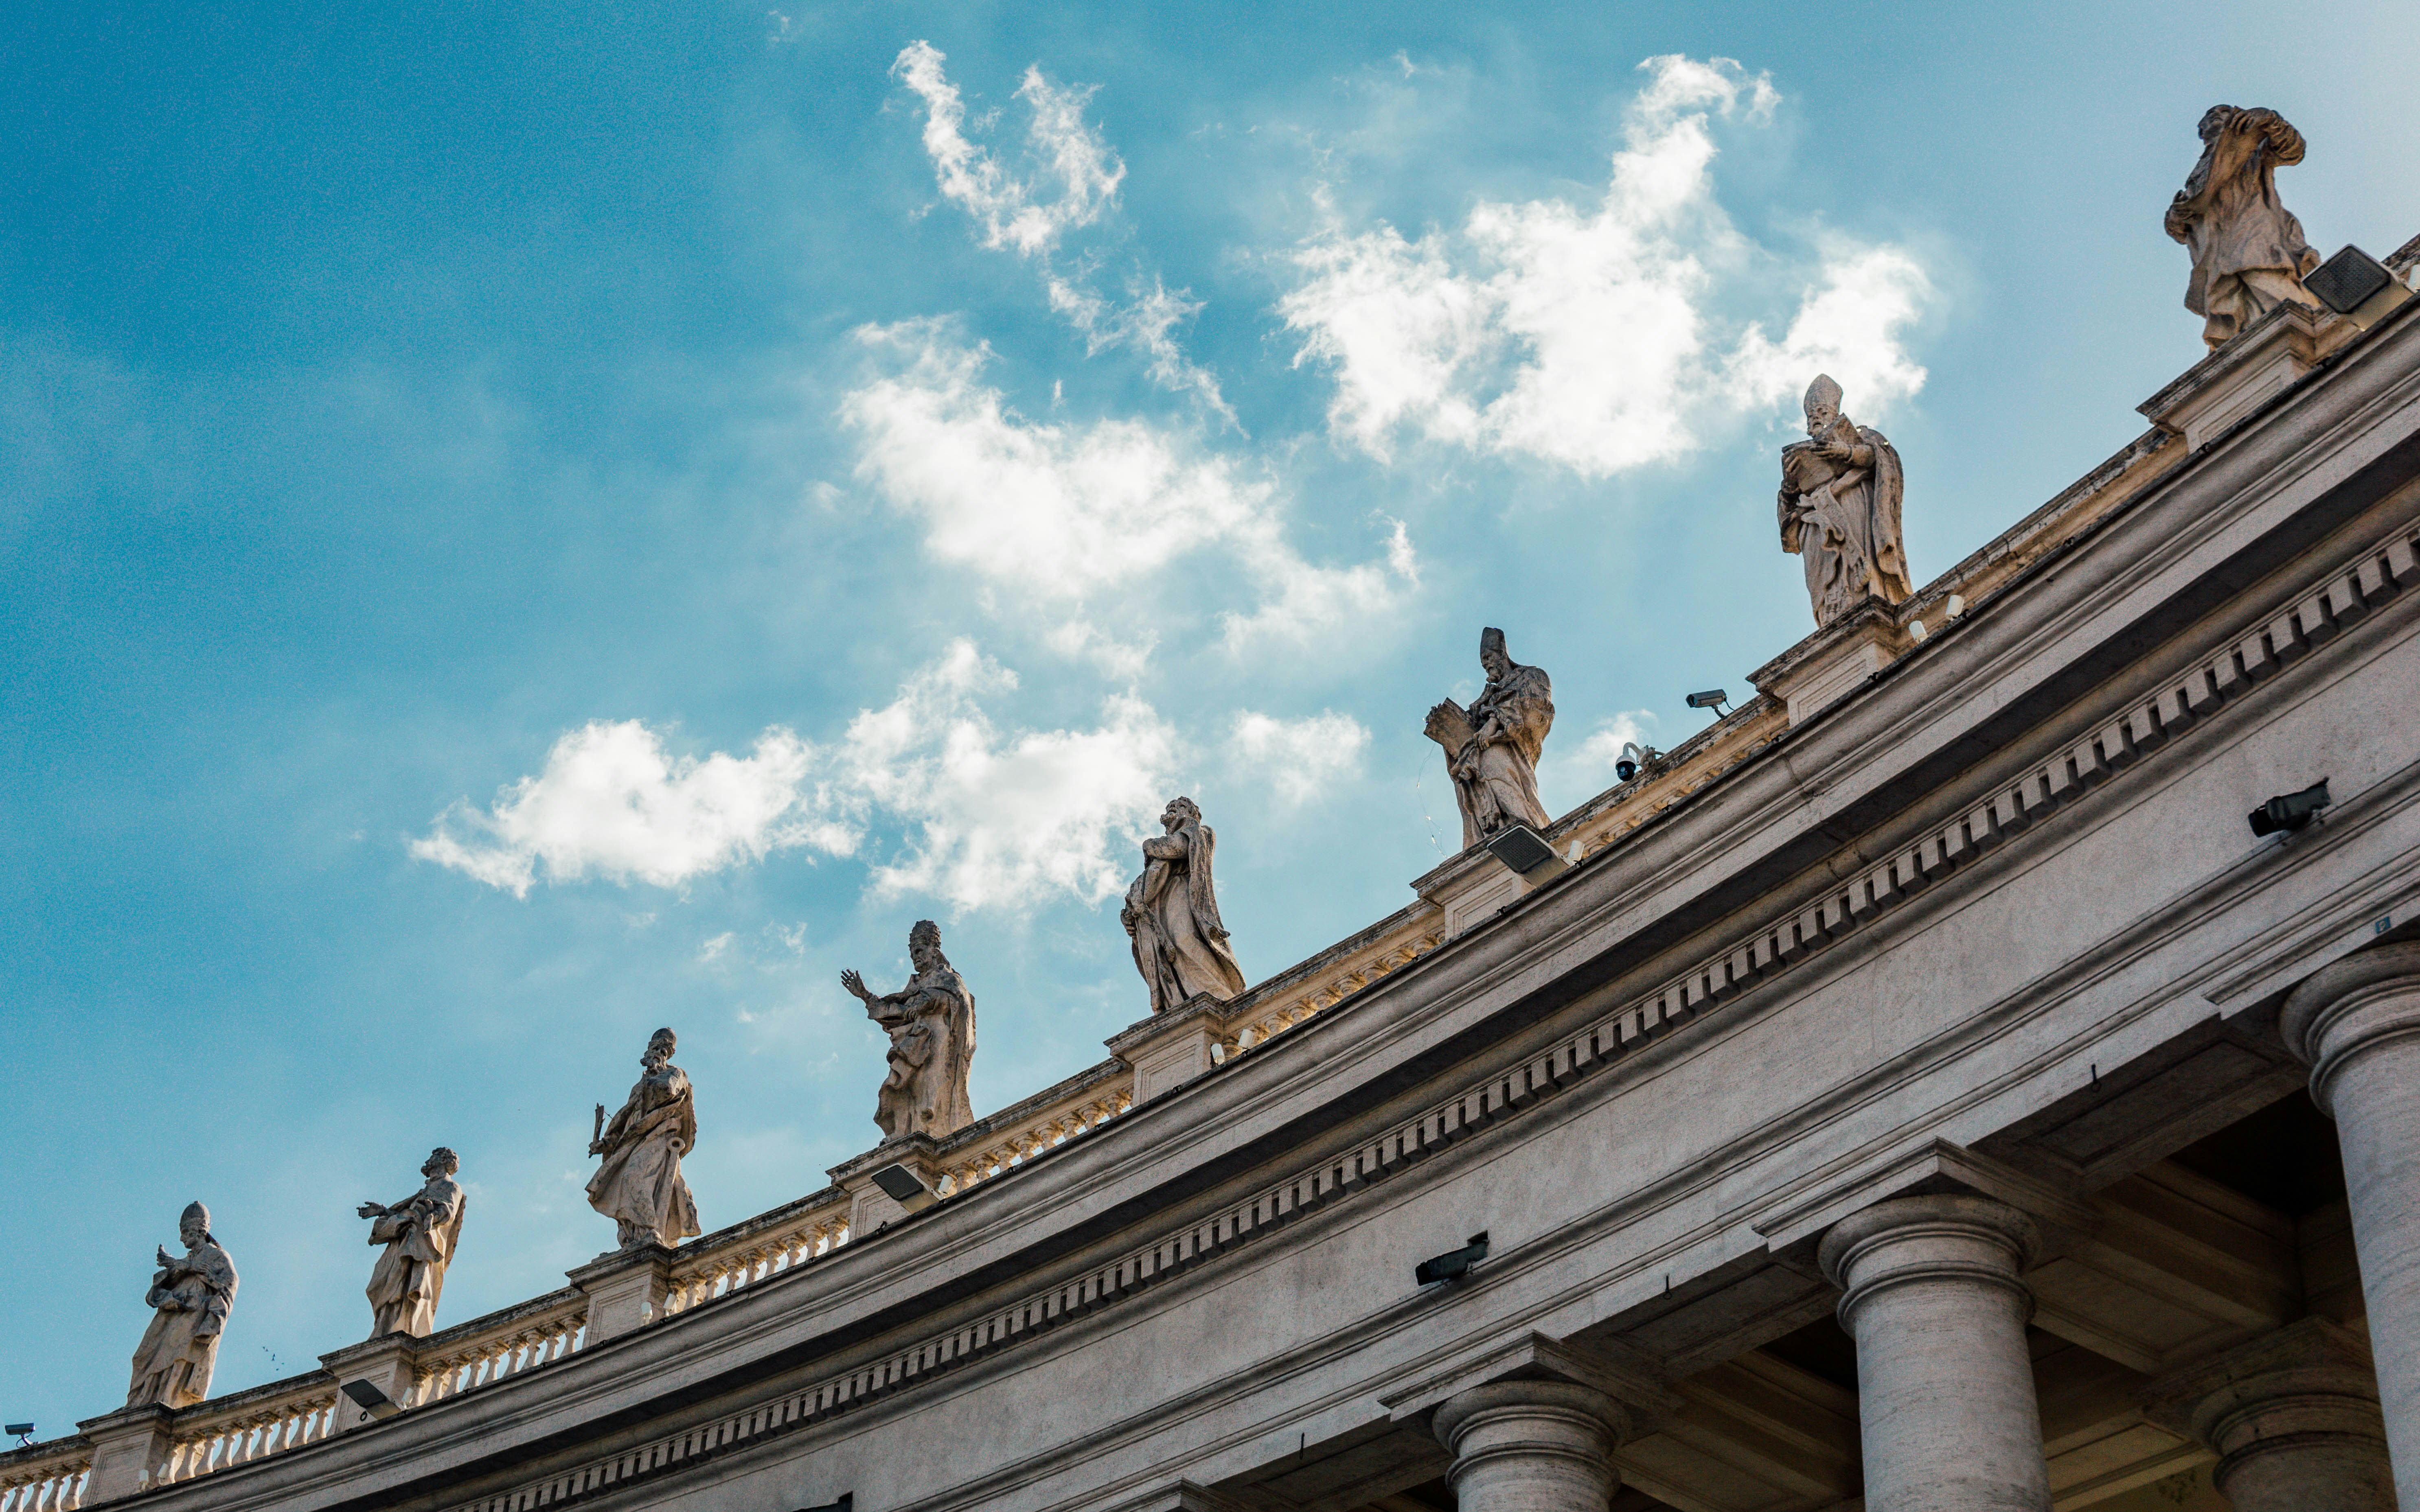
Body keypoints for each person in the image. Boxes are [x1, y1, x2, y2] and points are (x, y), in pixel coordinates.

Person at [2165, 105, 2320, 350]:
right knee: (2231, 304)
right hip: (2214, 250)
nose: (2218, 116)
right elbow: (2183, 231)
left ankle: (2312, 333)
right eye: (2210, 116)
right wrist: (2175, 218)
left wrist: (2270, 120)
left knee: (2262, 276)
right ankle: (2246, 350)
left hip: (2253, 229)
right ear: (2201, 132)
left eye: (2225, 112)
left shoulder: (2252, 147)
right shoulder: (2199, 172)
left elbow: (2293, 152)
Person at [1778, 374, 1911, 626]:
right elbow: (1788, 524)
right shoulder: (1801, 452)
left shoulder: (1861, 435)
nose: (1816, 417)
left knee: (1860, 565)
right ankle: (1830, 616)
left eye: (1822, 412)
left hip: (1852, 500)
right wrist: (1789, 484)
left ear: (1835, 415)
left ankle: (1868, 597)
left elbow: (1882, 458)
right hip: (1815, 520)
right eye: (1812, 415)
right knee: (1822, 577)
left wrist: (1845, 451)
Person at [842, 921, 977, 1142]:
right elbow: (898, 1013)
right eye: (912, 952)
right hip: (915, 1045)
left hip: (939, 1046)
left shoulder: (949, 980)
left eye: (920, 950)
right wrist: (865, 995)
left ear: (935, 950)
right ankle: (907, 1134)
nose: (915, 957)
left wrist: (931, 1001)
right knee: (907, 1089)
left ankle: (933, 1132)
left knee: (931, 1095)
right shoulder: (913, 987)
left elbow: (959, 1003)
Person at [1123, 797, 1247, 1015]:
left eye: (1179, 806)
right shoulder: (1163, 854)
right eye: (1169, 807)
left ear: (1191, 813)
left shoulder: (1200, 832)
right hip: (1162, 902)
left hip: (1181, 891)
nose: (1172, 809)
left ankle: (1220, 995)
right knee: (1168, 952)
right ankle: (1180, 1000)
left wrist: (1148, 845)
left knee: (1185, 939)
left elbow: (1174, 848)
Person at [586, 1028, 700, 1250]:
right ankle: (632, 1237)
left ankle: (650, 1230)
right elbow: (626, 1113)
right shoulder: (640, 1084)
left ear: (669, 1054)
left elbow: (668, 1091)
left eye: (663, 1050)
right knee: (620, 1182)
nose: (658, 1052)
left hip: (659, 1134)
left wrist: (657, 1074)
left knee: (634, 1177)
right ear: (648, 1049)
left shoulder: (675, 1074)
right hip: (634, 1135)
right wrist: (607, 1142)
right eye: (655, 1048)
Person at [1440, 628, 1554, 850]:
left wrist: (1494, 723)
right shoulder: (1488, 694)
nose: (1487, 665)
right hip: (1481, 747)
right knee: (1471, 768)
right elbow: (1474, 722)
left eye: (1489, 658)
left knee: (1493, 765)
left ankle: (1522, 823)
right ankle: (1490, 832)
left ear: (1502, 653)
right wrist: (1447, 724)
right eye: (1483, 663)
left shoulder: (1531, 676)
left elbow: (1536, 707)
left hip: (1510, 748)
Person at [127, 1201, 238, 1408]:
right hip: (172, 1312)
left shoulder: (217, 1256)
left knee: (179, 1354)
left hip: (194, 1314)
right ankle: (142, 1400)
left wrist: (196, 1271)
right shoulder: (187, 1260)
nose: (182, 1238)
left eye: (186, 1232)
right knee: (144, 1355)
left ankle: (167, 1399)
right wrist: (179, 1268)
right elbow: (161, 1287)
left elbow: (229, 1283)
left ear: (200, 1230)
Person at [357, 1147, 468, 1338]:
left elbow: (448, 1212)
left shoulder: (451, 1187)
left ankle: (405, 1325)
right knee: (386, 1283)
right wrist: (382, 1211)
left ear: (443, 1161)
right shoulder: (425, 1190)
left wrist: (432, 1215)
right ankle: (385, 1327)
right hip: (404, 1242)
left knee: (410, 1286)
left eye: (433, 1157)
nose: (429, 1160)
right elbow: (401, 1214)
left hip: (422, 1244)